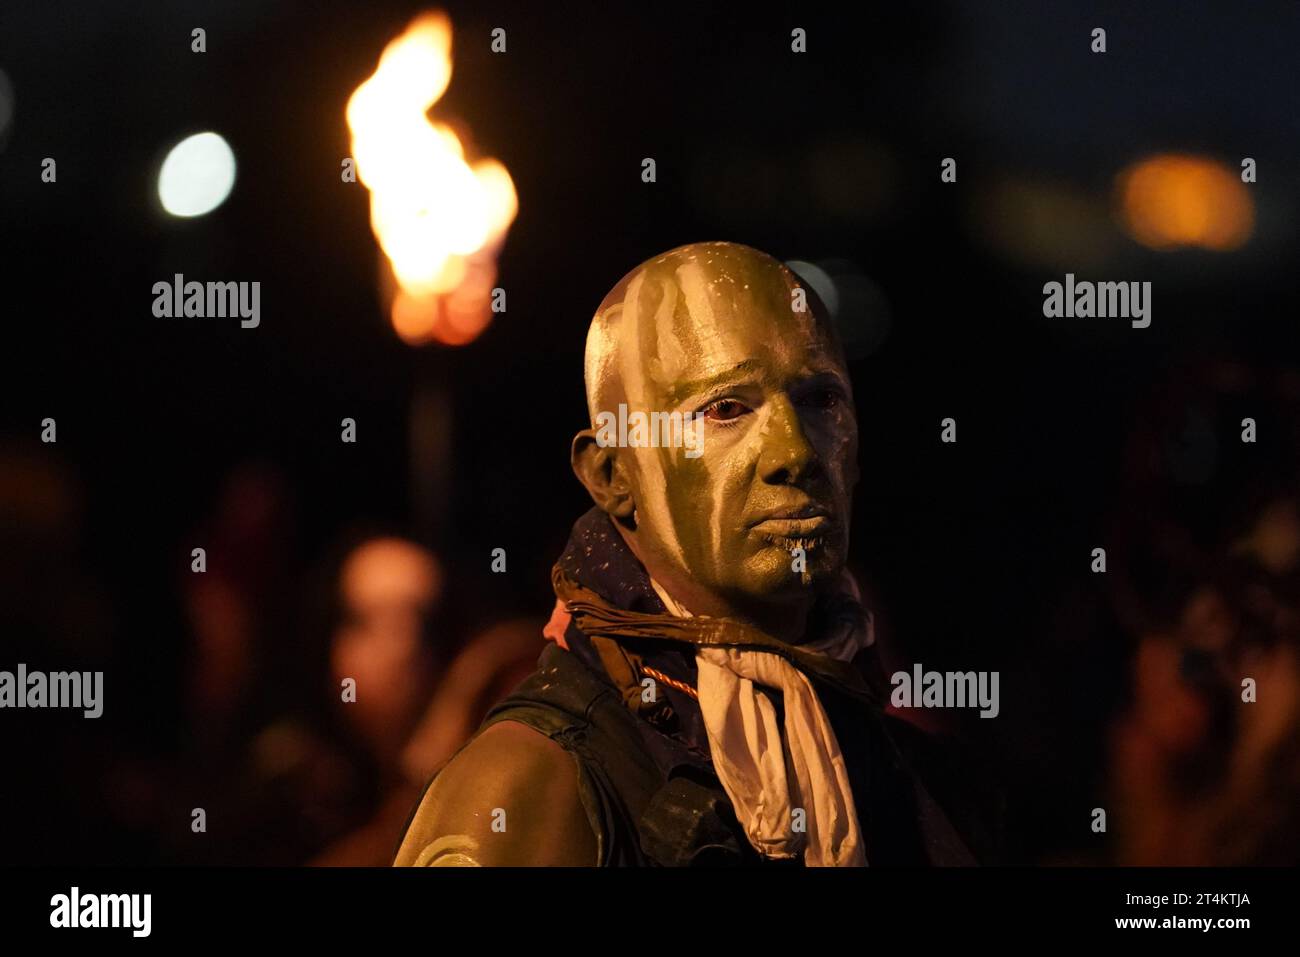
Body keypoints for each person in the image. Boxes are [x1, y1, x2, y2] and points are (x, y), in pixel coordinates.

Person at [394, 241, 978, 866]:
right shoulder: (530, 787)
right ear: (614, 475)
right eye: (725, 409)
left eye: (820, 401)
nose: (795, 453)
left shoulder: (912, 777)